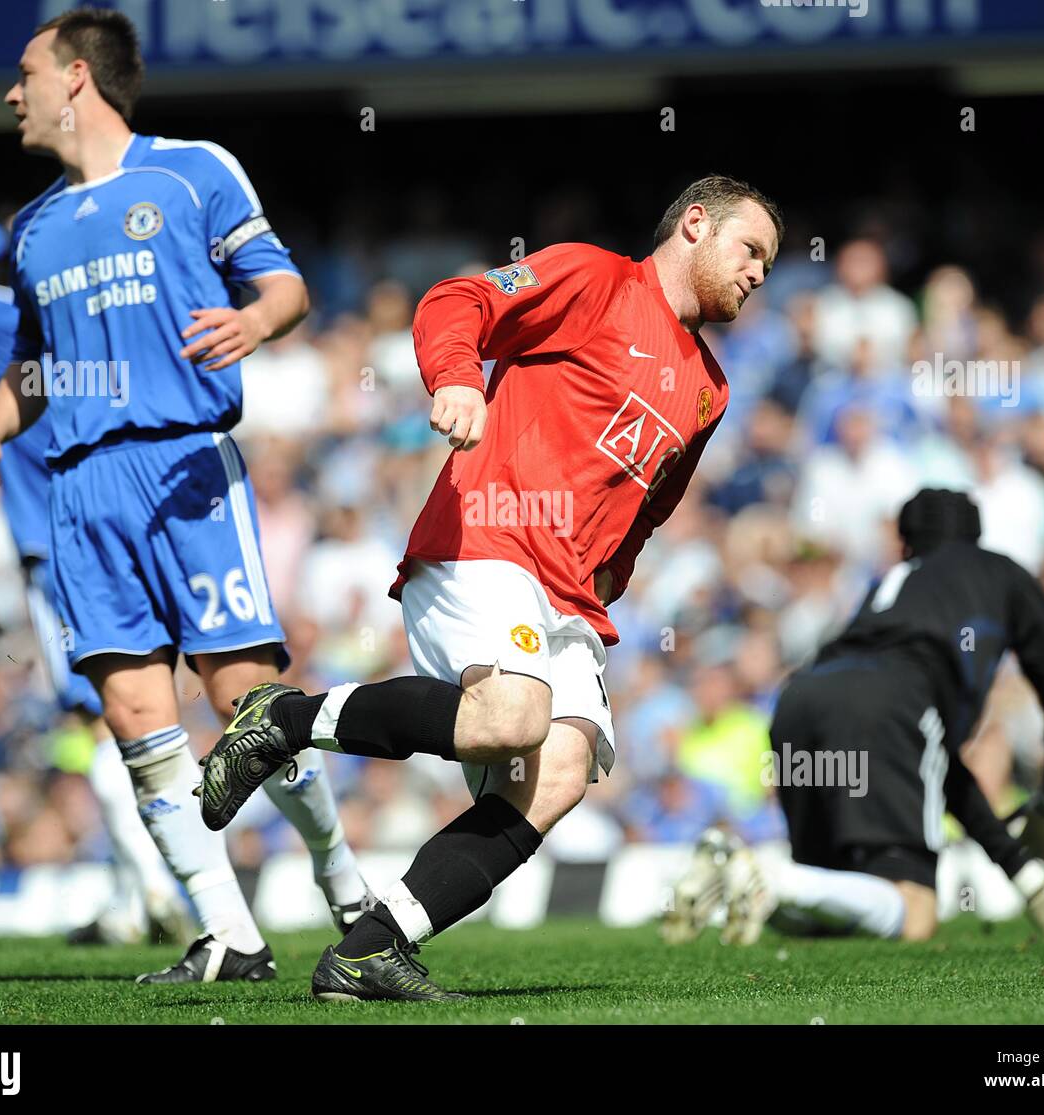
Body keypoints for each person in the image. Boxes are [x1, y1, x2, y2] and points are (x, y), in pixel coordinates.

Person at [198, 174, 783, 1000]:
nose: (759, 272)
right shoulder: (594, 278)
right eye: (750, 249)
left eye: (768, 261)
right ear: (695, 224)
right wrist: (458, 378)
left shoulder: (709, 388)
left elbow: (653, 505)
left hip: (570, 593)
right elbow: (457, 298)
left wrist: (615, 567)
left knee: (559, 773)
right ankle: (285, 717)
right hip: (489, 534)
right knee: (512, 719)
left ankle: (372, 947)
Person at [0, 8, 367, 983]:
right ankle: (230, 936)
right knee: (135, 714)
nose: (12, 93)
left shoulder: (192, 171)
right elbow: (34, 364)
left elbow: (285, 286)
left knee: (246, 700)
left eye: (26, 73)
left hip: (183, 465)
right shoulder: (35, 225)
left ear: (77, 80)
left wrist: (255, 320)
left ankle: (346, 890)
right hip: (80, 487)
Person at [0, 216, 193, 947]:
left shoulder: (4, 317)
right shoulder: (119, 320)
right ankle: (133, 894)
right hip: (139, 535)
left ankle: (159, 890)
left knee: (97, 720)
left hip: (57, 548)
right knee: (145, 713)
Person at [668, 489, 1044, 945]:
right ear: (976, 537)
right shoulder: (1000, 574)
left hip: (800, 701)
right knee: (914, 910)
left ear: (905, 544)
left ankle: (740, 873)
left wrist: (1024, 874)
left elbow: (937, 764)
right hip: (886, 705)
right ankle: (774, 876)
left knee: (832, 906)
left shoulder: (888, 586)